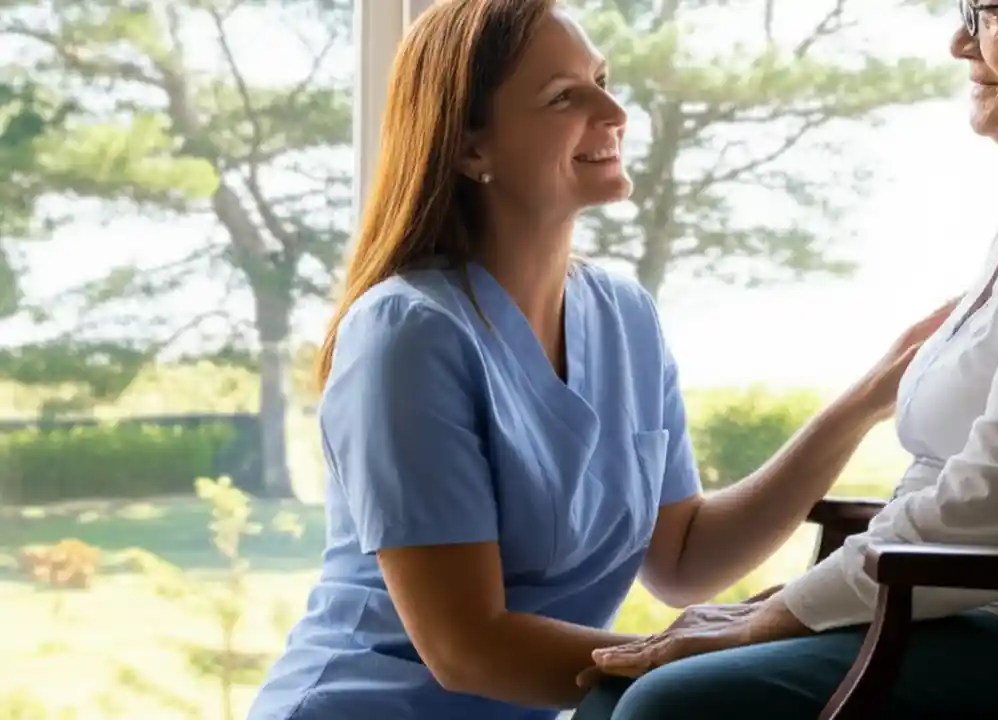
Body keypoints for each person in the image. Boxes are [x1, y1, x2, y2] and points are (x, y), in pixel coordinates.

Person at [246, 1, 954, 718]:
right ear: (470, 149)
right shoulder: (407, 334)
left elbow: (682, 558)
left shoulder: (624, 315)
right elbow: (468, 648)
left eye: (604, 79)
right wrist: (698, 666)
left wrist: (863, 401)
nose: (614, 109)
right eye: (564, 96)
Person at [575, 1, 998, 719]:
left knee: (670, 707)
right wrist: (782, 610)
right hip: (988, 607)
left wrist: (772, 615)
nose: (956, 40)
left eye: (989, 12)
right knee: (615, 690)